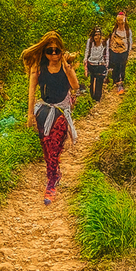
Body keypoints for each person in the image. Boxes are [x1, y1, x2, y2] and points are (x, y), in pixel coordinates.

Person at [22, 31, 80, 205]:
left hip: (61, 111)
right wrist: (30, 114)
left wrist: (67, 67)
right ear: (44, 52)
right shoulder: (38, 67)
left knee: (54, 146)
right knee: (46, 147)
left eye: (56, 50)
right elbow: (32, 91)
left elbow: (75, 85)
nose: (53, 54)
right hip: (44, 110)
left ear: (61, 50)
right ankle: (55, 172)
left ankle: (51, 183)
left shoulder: (65, 65)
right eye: (49, 51)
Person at [107, 11, 132, 94]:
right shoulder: (114, 30)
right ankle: (115, 80)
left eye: (122, 22)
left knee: (122, 66)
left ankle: (120, 82)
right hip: (114, 51)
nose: (120, 24)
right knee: (115, 66)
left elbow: (130, 41)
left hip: (124, 51)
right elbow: (110, 40)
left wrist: (128, 51)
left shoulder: (127, 31)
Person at [83, 26, 109, 103]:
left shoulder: (104, 43)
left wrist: (107, 63)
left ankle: (97, 98)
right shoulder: (90, 42)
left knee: (99, 82)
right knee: (92, 81)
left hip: (100, 65)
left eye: (98, 35)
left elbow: (107, 53)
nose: (97, 37)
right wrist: (85, 60)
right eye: (95, 35)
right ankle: (92, 97)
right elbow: (87, 51)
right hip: (91, 64)